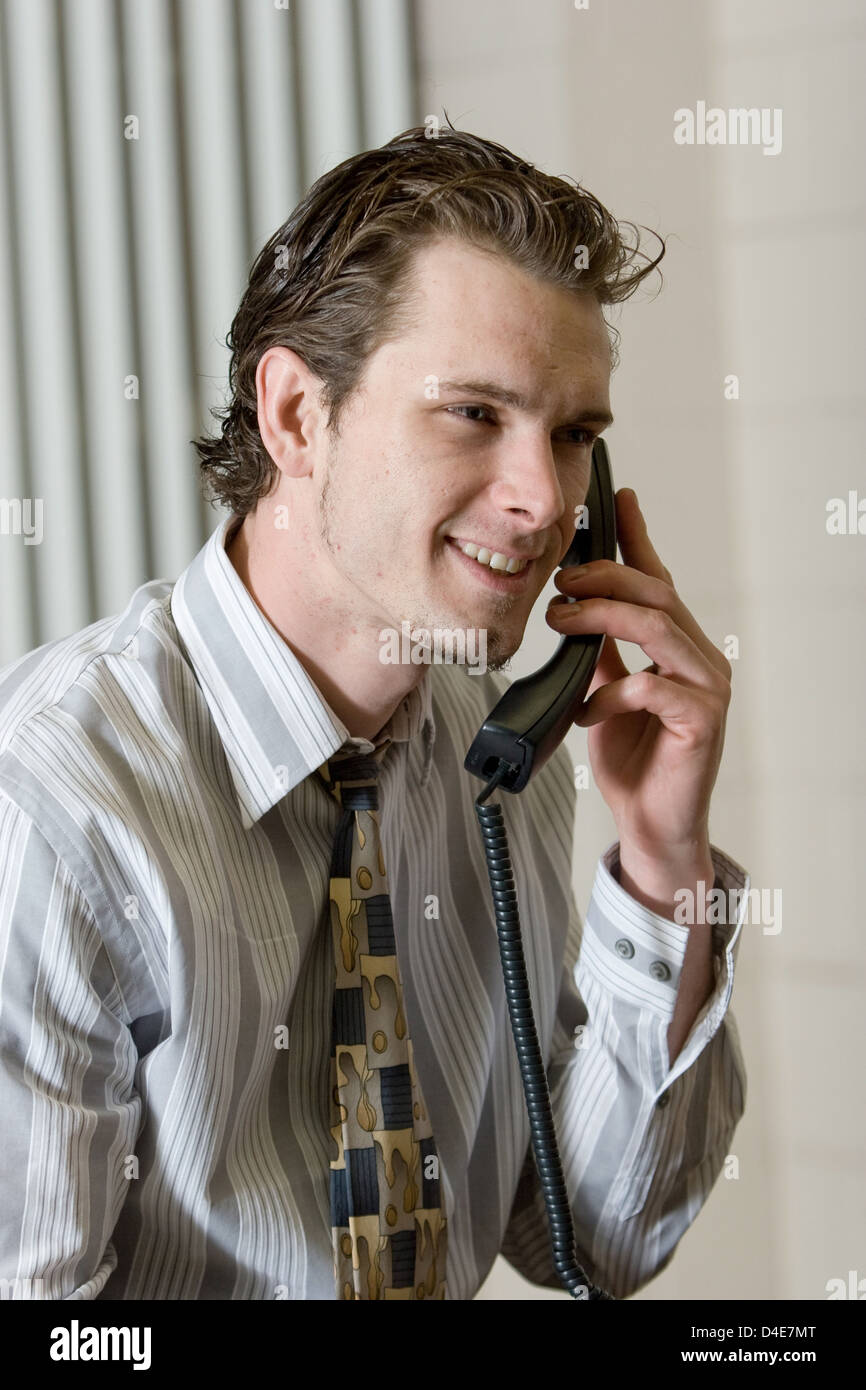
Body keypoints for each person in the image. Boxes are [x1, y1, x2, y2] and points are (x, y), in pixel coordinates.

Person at [0, 124, 747, 1301]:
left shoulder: (502, 760)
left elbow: (591, 1243)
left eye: (571, 436)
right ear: (298, 415)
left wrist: (660, 863)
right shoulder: (52, 800)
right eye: (473, 413)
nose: (542, 500)